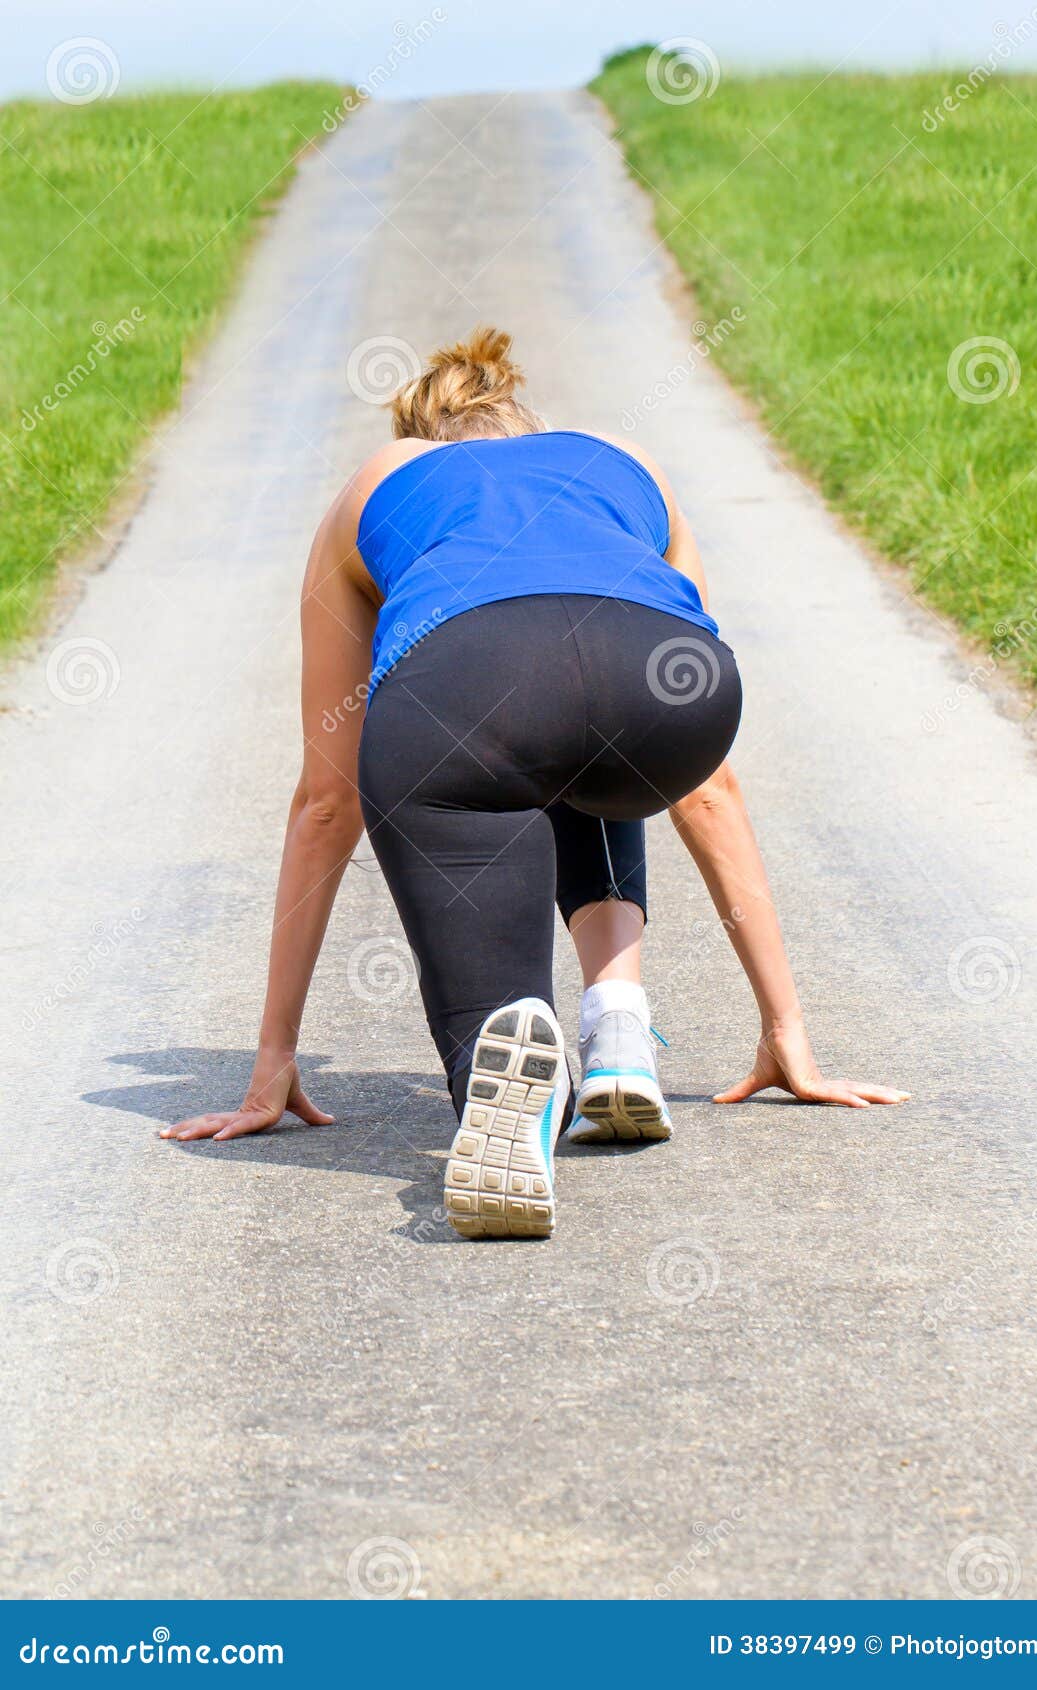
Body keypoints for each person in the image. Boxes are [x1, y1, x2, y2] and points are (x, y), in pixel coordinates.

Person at [163, 328, 906, 1237]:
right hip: (673, 697)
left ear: (423, 435)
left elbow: (328, 802)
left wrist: (272, 1053)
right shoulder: (623, 460)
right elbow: (708, 794)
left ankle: (499, 1049)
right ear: (527, 423)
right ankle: (618, 1028)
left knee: (501, 733)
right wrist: (789, 1028)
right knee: (590, 732)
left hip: (470, 679)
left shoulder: (380, 479)